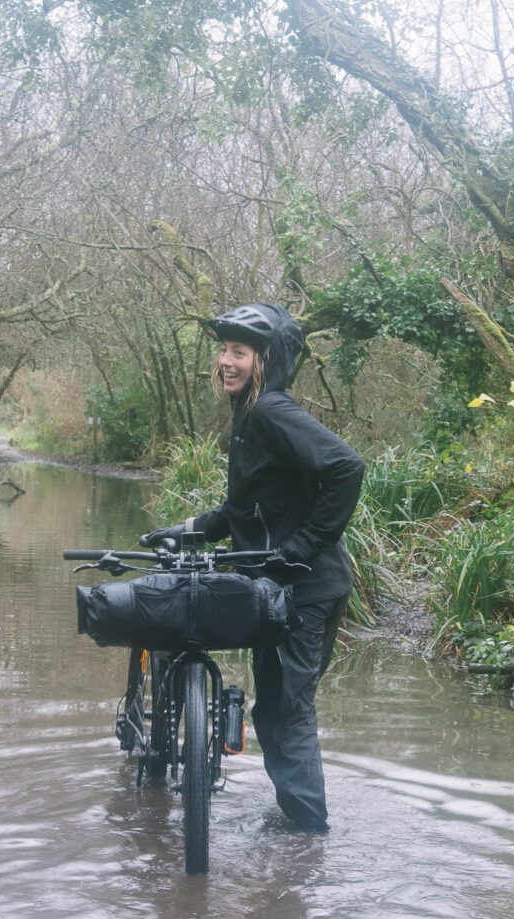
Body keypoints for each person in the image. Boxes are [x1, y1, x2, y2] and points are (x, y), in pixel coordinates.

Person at [148, 303, 364, 832]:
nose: (225, 361)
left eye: (238, 352)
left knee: (287, 714)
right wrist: (187, 528)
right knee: (271, 714)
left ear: (266, 360)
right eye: (223, 350)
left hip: (305, 587)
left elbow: (347, 466)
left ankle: (310, 842)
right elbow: (242, 509)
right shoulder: (247, 416)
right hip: (275, 584)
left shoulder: (271, 411)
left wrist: (304, 545)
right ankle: (296, 830)